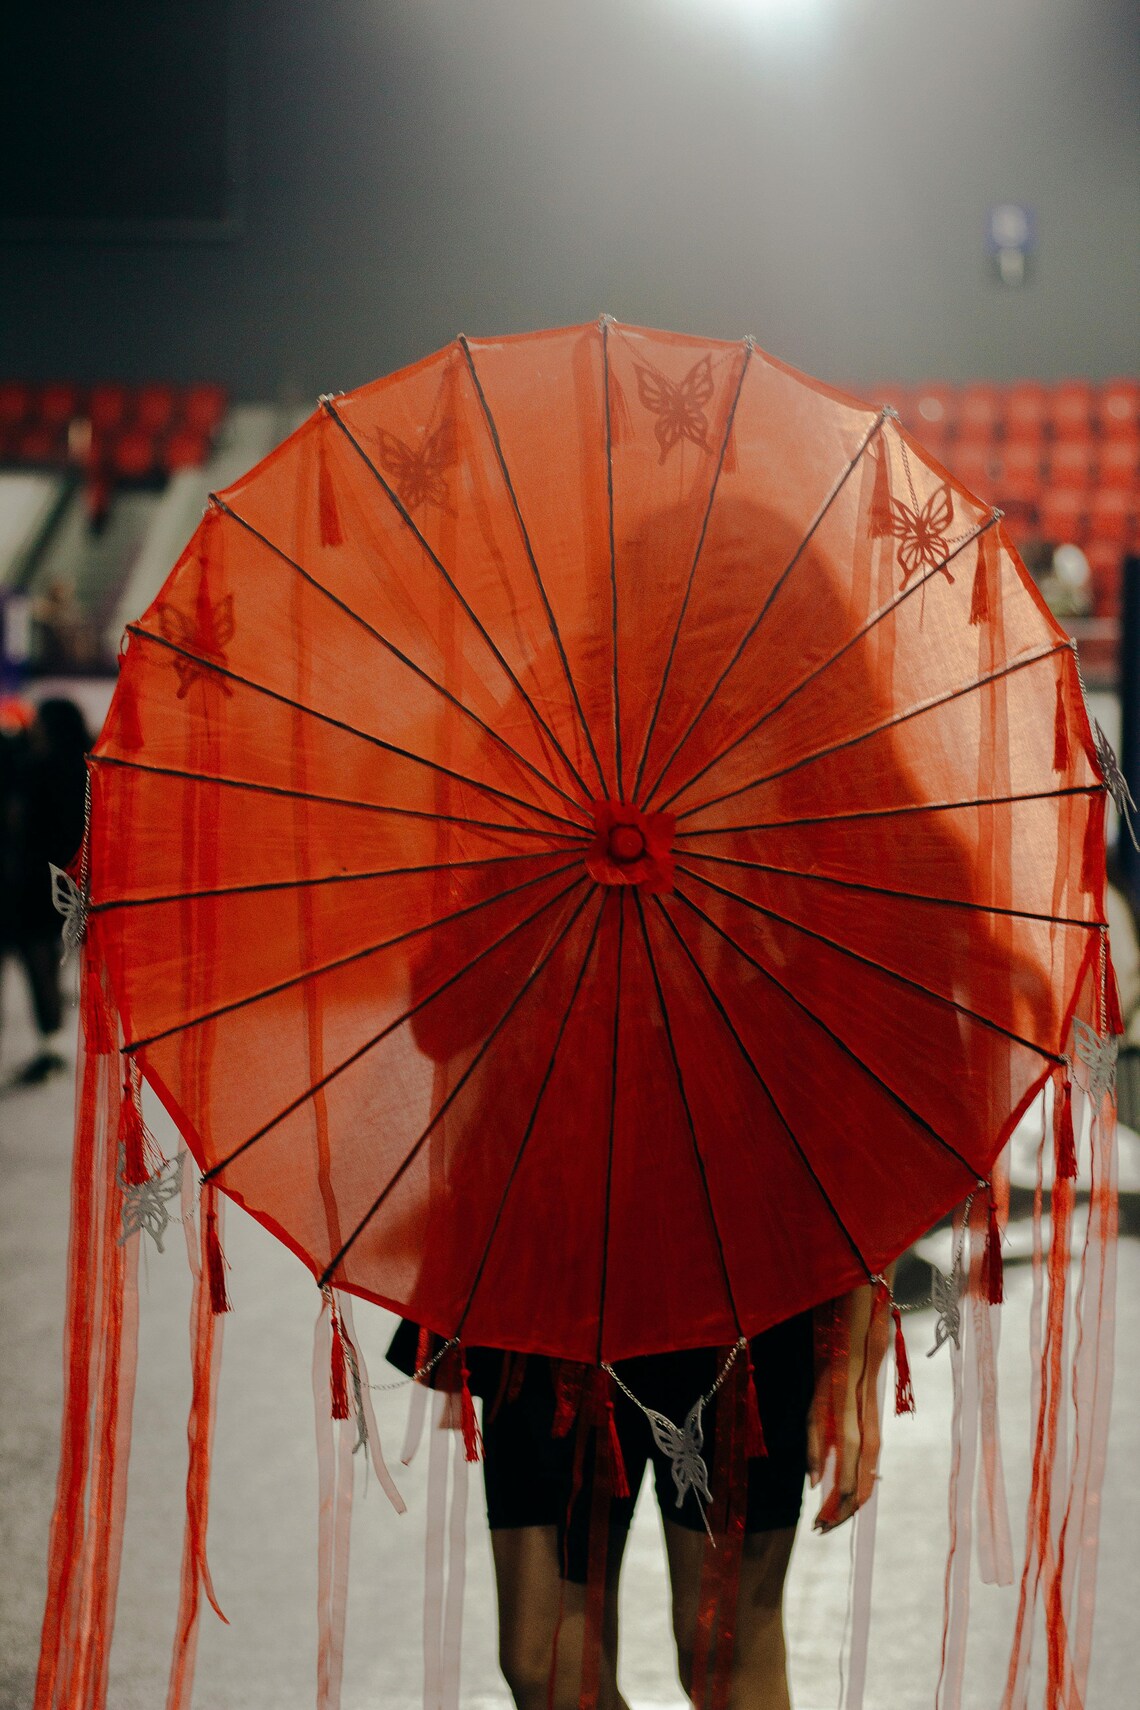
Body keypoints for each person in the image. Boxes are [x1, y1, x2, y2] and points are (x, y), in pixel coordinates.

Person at [388, 1272, 890, 1710]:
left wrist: (857, 1371)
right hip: (551, 1286)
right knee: (546, 1669)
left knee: (722, 1659)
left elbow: (868, 1166)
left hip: (740, 1287)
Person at [0, 697, 90, 1084]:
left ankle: (50, 1042)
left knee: (40, 957)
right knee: (58, 957)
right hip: (72, 880)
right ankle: (54, 1040)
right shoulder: (85, 772)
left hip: (37, 881)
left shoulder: (36, 771)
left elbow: (20, 826)